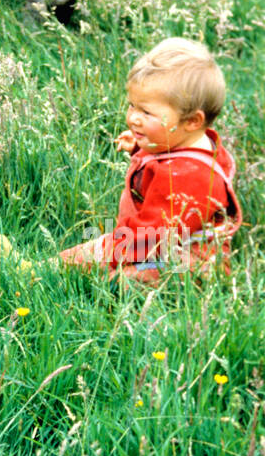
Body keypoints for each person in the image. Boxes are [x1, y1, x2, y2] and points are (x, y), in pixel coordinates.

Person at [59, 37, 242, 286]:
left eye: (146, 113)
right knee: (102, 258)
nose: (133, 118)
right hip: (160, 244)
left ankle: (52, 271)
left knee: (116, 281)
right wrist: (139, 145)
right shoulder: (180, 141)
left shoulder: (189, 177)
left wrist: (91, 256)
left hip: (186, 264)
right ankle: (57, 267)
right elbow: (169, 159)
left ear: (192, 121)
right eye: (132, 106)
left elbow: (149, 238)